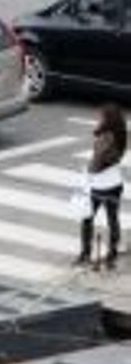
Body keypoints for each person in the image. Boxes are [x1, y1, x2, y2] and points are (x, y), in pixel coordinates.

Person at [81, 102, 127, 267]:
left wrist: (89, 171)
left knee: (87, 217)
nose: (98, 119)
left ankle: (85, 253)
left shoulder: (106, 136)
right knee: (112, 218)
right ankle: (112, 253)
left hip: (102, 184)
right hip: (115, 183)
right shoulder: (120, 134)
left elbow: (99, 161)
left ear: (108, 119)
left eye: (101, 117)